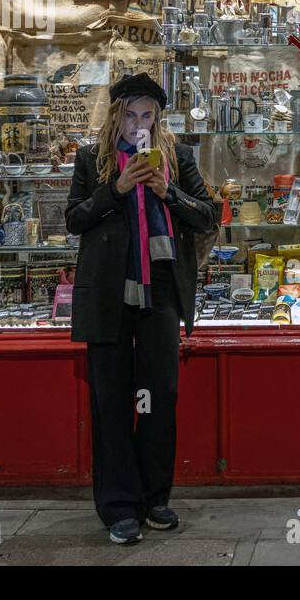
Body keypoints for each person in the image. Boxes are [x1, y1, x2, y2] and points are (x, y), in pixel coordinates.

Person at [65, 72, 217, 545]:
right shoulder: (92, 158)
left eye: (147, 115)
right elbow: (74, 219)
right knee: (111, 399)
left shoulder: (180, 156)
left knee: (160, 397)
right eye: (130, 115)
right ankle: (119, 506)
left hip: (162, 294)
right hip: (109, 293)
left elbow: (209, 215)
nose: (138, 124)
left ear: (159, 117)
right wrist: (118, 189)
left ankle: (155, 498)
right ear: (117, 116)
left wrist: (165, 192)